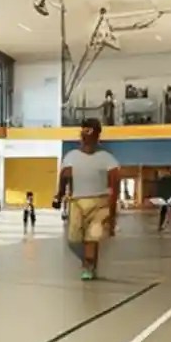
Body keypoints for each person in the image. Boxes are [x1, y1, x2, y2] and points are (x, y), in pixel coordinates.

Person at [56, 118, 121, 281]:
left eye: (90, 132)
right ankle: (87, 260)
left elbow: (115, 187)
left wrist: (112, 214)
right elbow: (64, 177)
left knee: (92, 237)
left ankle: (89, 266)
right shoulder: (71, 157)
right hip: (77, 203)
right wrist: (59, 195)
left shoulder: (107, 158)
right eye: (84, 132)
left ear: (98, 135)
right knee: (74, 240)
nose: (86, 136)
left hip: (100, 204)